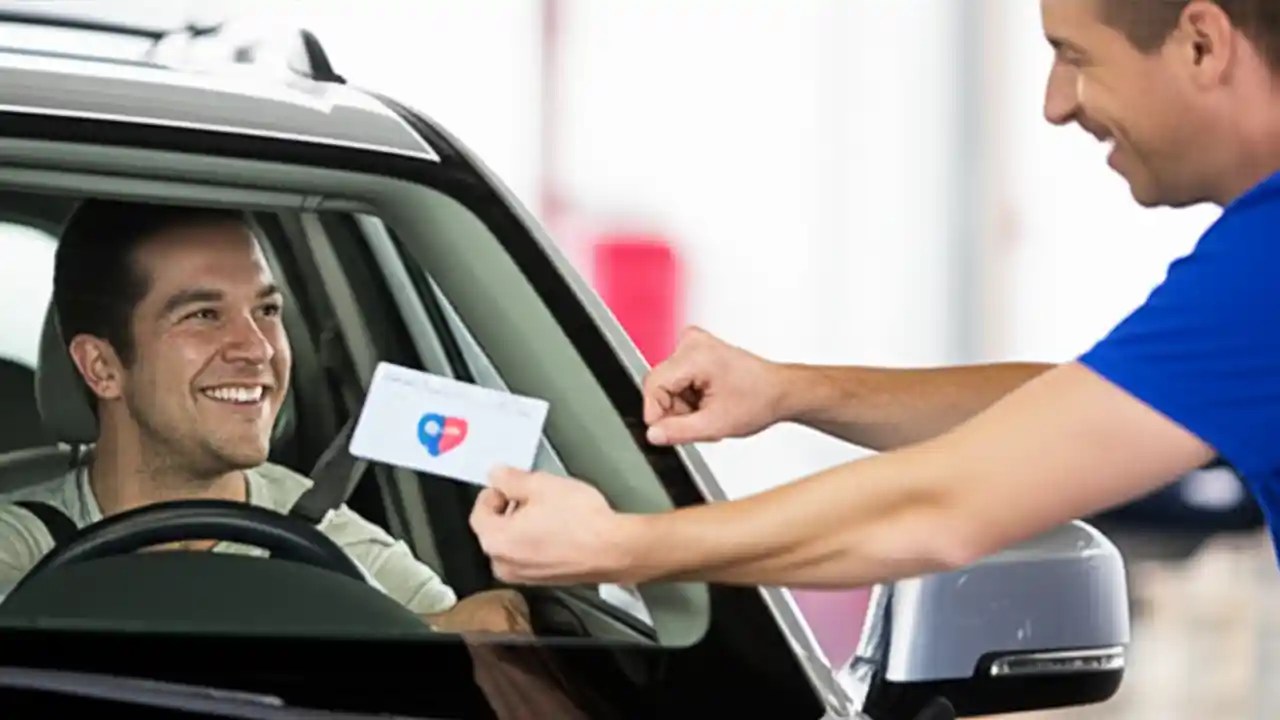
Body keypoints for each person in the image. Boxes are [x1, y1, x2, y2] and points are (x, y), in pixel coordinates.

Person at [470, 0, 1280, 589]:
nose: (1055, 102)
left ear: (1202, 43)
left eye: (1075, 55)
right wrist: (794, 392)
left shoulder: (1262, 265)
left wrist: (622, 550)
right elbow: (1085, 413)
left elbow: (942, 506)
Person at [0, 198, 527, 634]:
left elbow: (471, 646)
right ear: (102, 367)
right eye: (203, 315)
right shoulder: (19, 545)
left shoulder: (334, 542)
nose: (258, 349)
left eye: (267, 311)